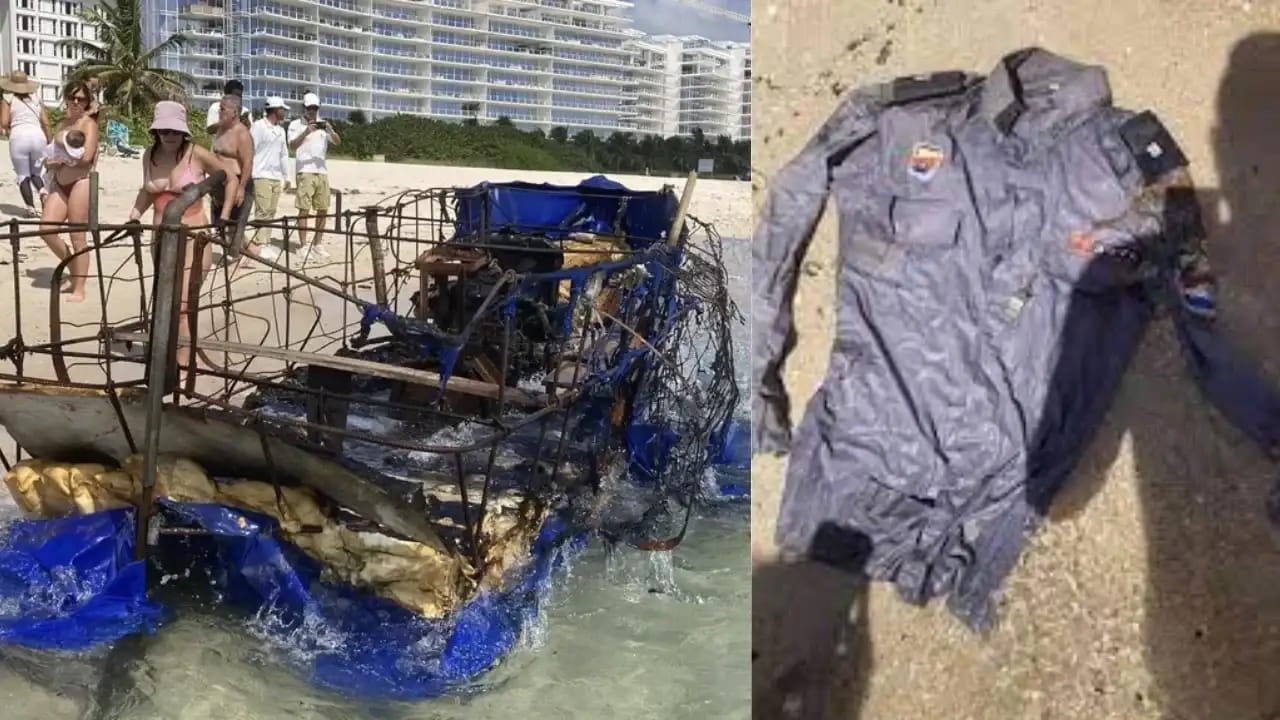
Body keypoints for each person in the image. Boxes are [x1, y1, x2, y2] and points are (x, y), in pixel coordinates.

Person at [126, 101, 238, 371]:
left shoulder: (196, 154)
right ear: (156, 131)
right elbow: (148, 191)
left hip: (194, 237)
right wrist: (134, 214)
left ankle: (184, 363)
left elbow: (230, 177)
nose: (170, 136)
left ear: (184, 132)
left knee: (185, 302)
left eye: (175, 131)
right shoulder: (149, 155)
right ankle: (171, 349)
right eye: (164, 130)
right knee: (166, 295)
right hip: (160, 236)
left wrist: (223, 215)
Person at [38, 80, 99, 302]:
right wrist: (51, 163)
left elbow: (86, 158)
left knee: (77, 236)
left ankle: (79, 286)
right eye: (72, 97)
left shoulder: (88, 124)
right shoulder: (62, 123)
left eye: (80, 98)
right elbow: (50, 153)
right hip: (60, 183)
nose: (75, 101)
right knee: (46, 229)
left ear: (86, 102)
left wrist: (60, 163)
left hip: (81, 182)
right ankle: (74, 269)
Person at [288, 92, 340, 261]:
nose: (312, 111)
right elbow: (292, 146)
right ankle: (303, 245)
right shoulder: (295, 124)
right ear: (303, 108)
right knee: (304, 209)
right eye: (309, 108)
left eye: (315, 108)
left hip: (322, 171)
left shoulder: (323, 126)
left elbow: (338, 142)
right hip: (304, 170)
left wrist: (330, 130)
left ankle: (317, 244)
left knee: (323, 208)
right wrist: (306, 132)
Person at [0, 70, 52, 217]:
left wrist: (8, 126)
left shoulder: (7, 98)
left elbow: (3, 122)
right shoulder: (36, 99)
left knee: (23, 175)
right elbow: (46, 123)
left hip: (19, 137)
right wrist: (50, 142)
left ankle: (30, 208)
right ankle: (43, 193)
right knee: (36, 173)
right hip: (38, 137)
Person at [245, 96, 290, 263]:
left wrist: (287, 176)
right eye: (282, 110)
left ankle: (266, 241)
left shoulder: (280, 130)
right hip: (260, 174)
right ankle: (259, 242)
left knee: (271, 211)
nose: (284, 112)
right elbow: (250, 149)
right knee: (262, 211)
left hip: (275, 176)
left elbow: (284, 154)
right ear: (275, 110)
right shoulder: (258, 127)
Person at [208, 93, 255, 252]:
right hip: (219, 184)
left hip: (238, 183)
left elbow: (248, 162)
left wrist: (241, 188)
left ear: (235, 112)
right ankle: (244, 252)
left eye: (223, 109)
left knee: (235, 227)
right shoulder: (220, 129)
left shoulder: (241, 133)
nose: (219, 112)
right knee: (219, 226)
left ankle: (237, 256)